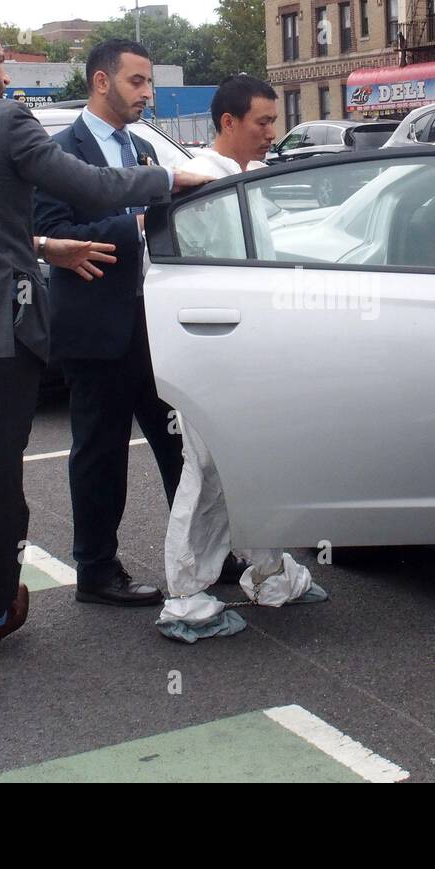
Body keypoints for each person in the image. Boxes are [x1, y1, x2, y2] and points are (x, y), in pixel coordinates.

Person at [0, 13, 210, 717]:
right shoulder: (5, 123)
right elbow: (87, 186)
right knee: (0, 485)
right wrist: (165, 181)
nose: (3, 67)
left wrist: (40, 246)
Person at [155, 75, 327, 644]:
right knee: (206, 473)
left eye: (274, 121)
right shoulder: (205, 184)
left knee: (247, 469)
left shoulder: (239, 179)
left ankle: (271, 572)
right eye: (262, 122)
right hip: (217, 355)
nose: (271, 133)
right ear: (228, 122)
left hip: (245, 351)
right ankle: (185, 595)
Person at [33, 40, 183, 607]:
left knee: (180, 446)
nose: (147, 93)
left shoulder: (143, 149)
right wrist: (135, 224)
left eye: (149, 83)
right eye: (137, 82)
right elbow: (52, 232)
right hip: (96, 330)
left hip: (158, 326)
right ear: (102, 82)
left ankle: (204, 553)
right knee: (100, 454)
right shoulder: (57, 153)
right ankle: (95, 571)